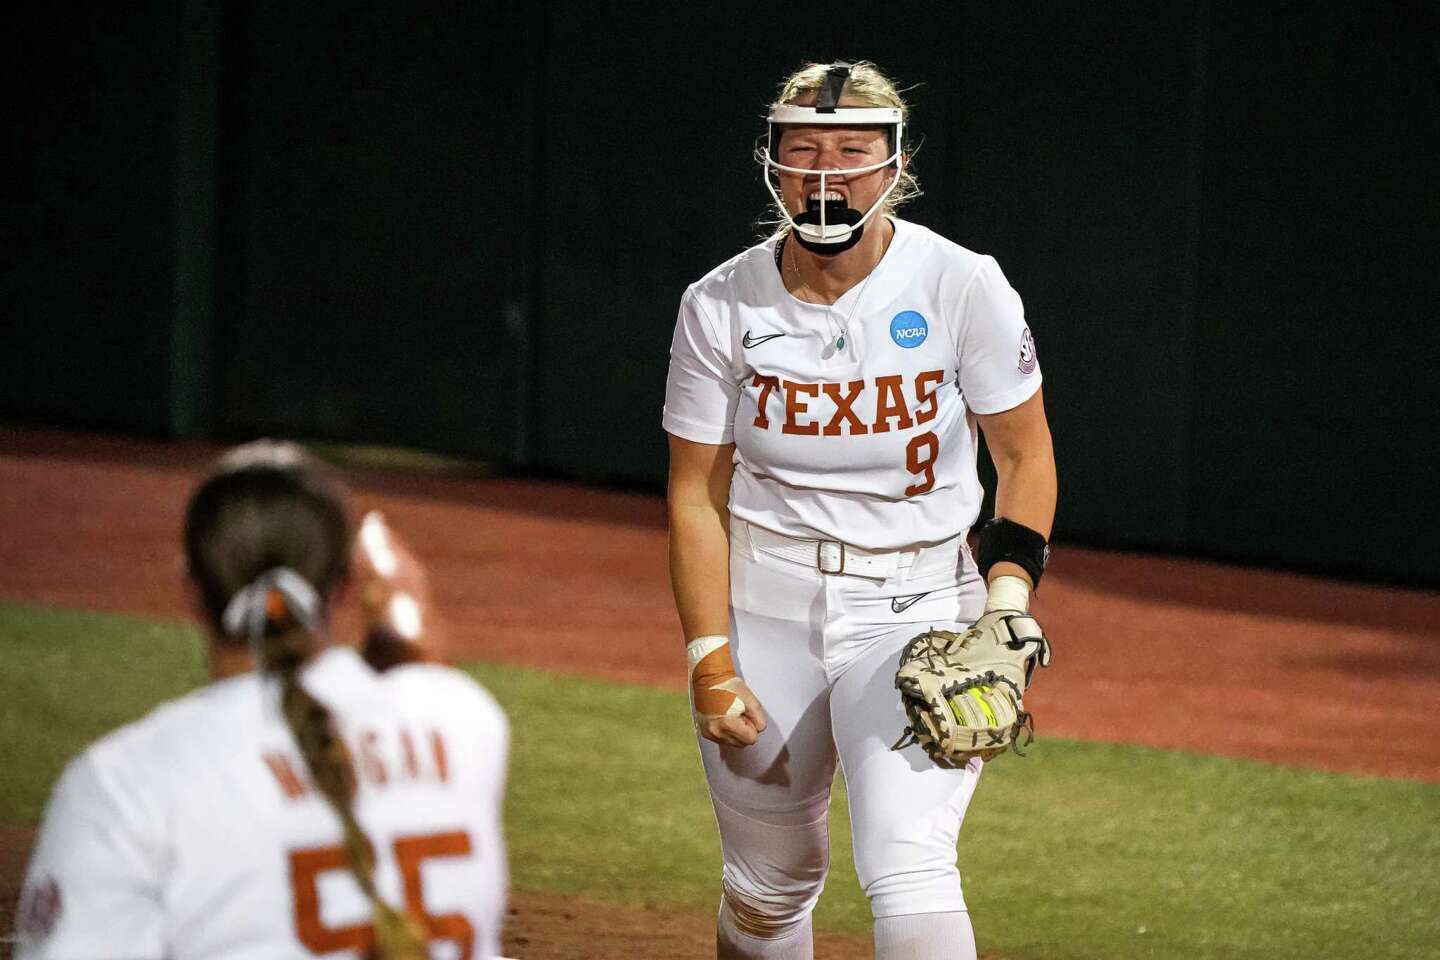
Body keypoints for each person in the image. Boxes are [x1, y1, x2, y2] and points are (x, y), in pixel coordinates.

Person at [664, 61, 1057, 959]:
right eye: (803, 149)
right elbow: (695, 492)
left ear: (895, 165)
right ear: (771, 161)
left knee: (909, 863)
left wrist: (1006, 604)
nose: (826, 172)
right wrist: (707, 654)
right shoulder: (719, 303)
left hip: (919, 605)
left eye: (852, 150)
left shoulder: (961, 283)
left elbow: (1025, 457)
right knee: (768, 888)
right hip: (767, 605)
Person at [15, 441, 508, 959]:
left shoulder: (126, 784)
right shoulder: (466, 721)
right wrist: (391, 579)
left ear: (191, 587)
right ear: (342, 587)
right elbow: (413, 645)